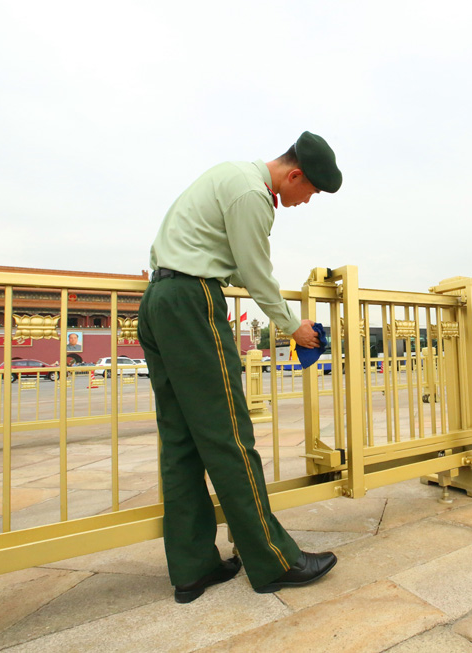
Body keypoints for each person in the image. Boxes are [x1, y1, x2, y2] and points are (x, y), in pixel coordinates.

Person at [138, 131, 341, 603]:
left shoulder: (226, 173)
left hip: (158, 300)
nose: (305, 201)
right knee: (229, 434)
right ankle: (273, 560)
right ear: (293, 175)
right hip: (192, 302)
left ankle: (193, 568)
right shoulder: (253, 193)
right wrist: (294, 326)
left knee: (181, 441)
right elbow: (255, 271)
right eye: (309, 191)